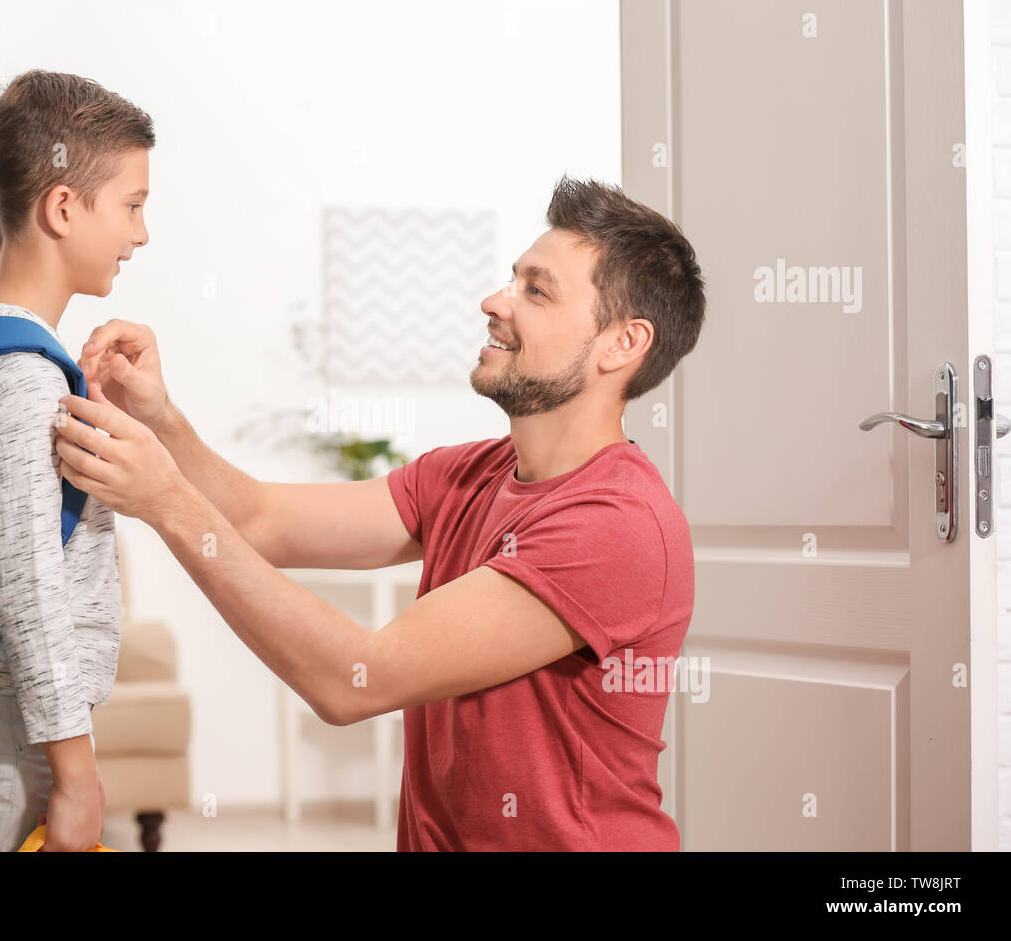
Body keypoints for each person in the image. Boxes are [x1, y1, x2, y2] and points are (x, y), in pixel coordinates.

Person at [55, 176, 706, 850]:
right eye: (512, 280)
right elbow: (260, 521)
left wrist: (167, 503)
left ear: (623, 344)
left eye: (536, 291)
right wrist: (162, 421)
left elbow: (356, 679)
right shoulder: (469, 474)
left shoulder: (616, 523)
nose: (494, 301)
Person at [0, 69, 153, 851]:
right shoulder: (22, 377)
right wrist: (76, 773)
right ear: (62, 207)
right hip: (12, 740)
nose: (141, 234)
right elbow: (25, 580)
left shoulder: (2, 357)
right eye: (132, 205)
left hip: (23, 730)